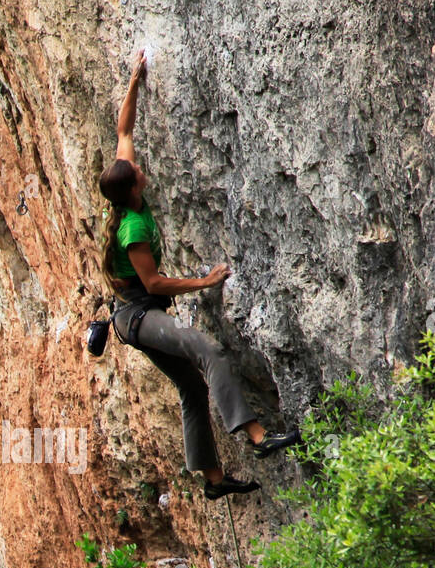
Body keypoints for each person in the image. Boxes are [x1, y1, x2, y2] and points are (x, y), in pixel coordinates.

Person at [98, 50, 299, 499]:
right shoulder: (132, 227)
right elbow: (152, 285)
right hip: (137, 316)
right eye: (136, 171)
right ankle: (258, 437)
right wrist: (204, 282)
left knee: (190, 384)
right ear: (132, 186)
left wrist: (134, 80)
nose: (139, 166)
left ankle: (213, 480)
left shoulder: (126, 196)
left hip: (134, 314)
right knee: (205, 349)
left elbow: (124, 129)